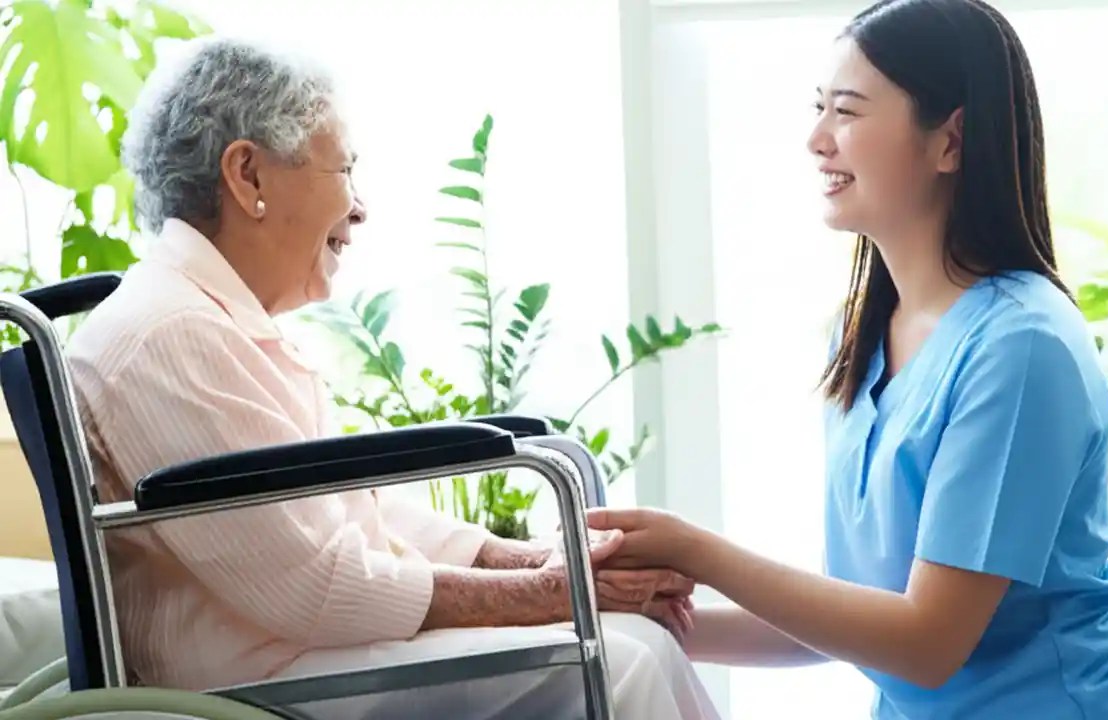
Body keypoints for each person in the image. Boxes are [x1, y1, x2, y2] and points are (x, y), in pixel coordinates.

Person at [66, 36, 718, 719]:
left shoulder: (201, 319)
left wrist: (528, 562)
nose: (360, 207)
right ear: (249, 176)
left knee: (633, 639)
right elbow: (314, 587)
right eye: (345, 168)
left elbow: (349, 511)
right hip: (271, 685)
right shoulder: (168, 336)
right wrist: (557, 592)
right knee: (620, 663)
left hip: (303, 660)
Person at [587, 1, 1108, 718]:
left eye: (847, 111)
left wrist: (698, 552)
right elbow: (865, 613)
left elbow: (927, 642)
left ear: (951, 141)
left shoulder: (1022, 348)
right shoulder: (862, 335)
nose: (816, 139)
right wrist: (644, 629)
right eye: (819, 108)